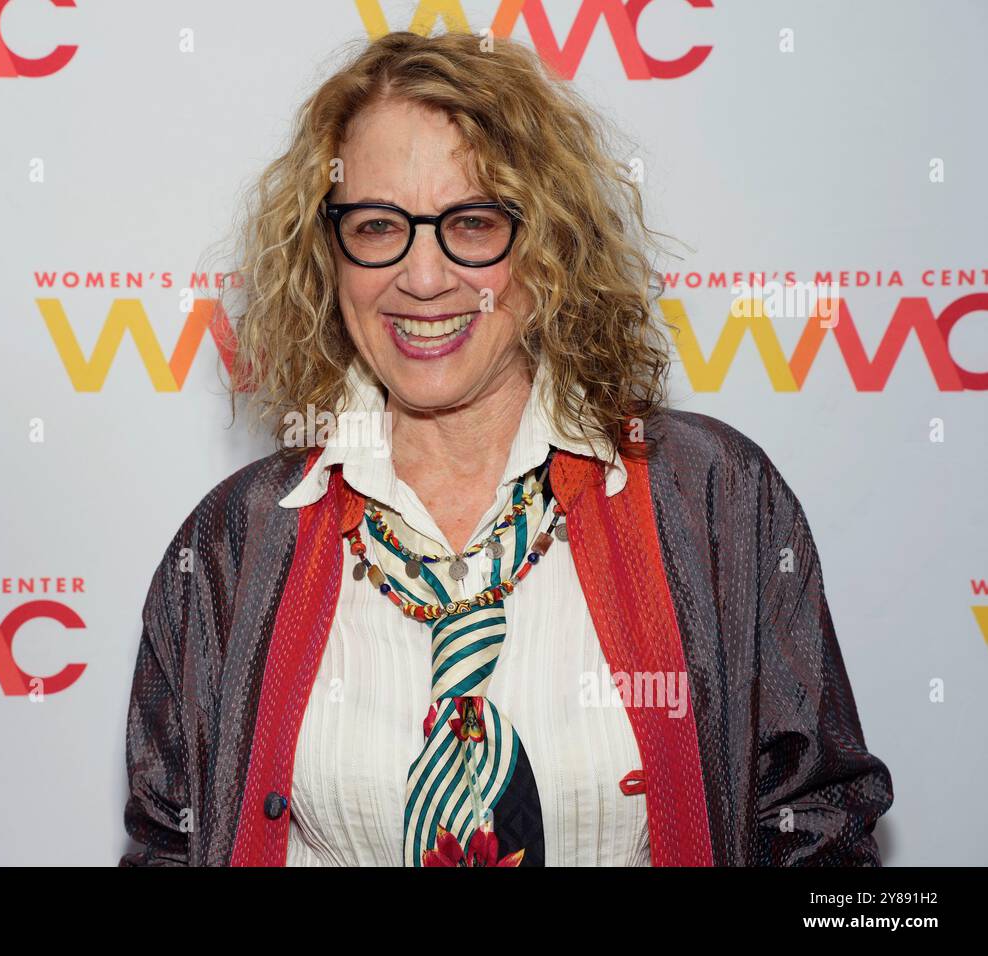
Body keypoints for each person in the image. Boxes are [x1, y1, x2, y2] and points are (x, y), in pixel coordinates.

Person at [119, 30, 893, 867]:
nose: (423, 278)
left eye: (473, 222)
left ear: (547, 242)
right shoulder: (232, 546)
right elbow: (170, 845)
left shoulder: (718, 501)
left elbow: (820, 838)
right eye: (378, 225)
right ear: (327, 250)